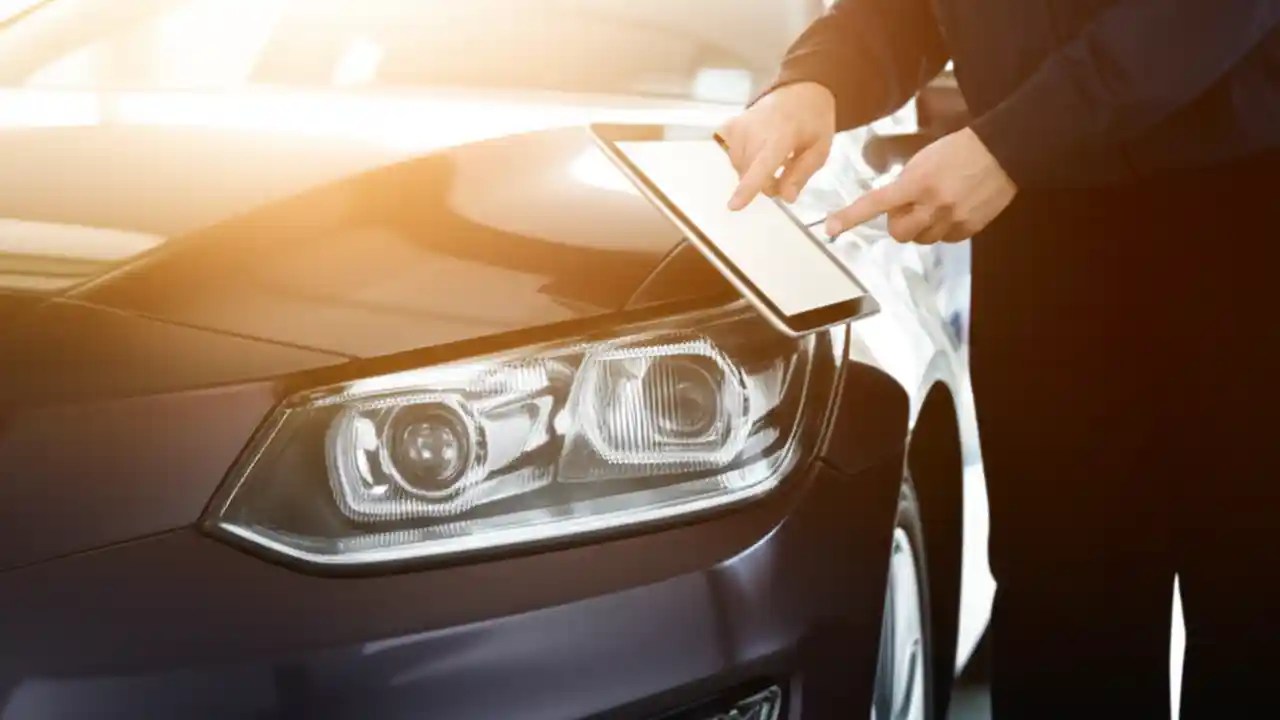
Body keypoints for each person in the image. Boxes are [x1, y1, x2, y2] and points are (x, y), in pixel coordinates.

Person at [720, 2, 1280, 717]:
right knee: (1063, 617)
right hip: (1045, 230)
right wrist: (816, 81)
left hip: (1247, 212)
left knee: (1259, 615)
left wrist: (1014, 143)